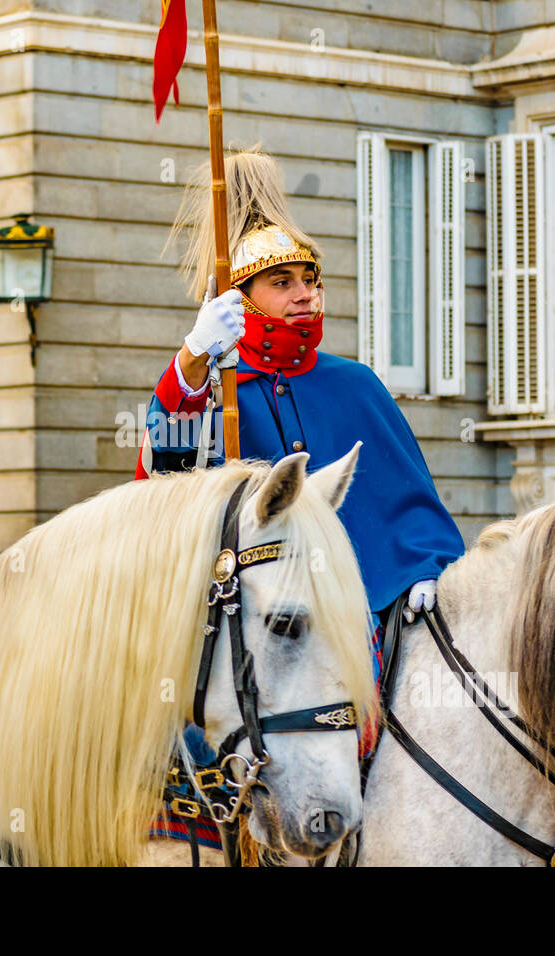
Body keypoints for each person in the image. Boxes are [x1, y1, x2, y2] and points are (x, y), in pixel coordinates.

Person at [137, 146, 465, 635]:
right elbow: (161, 477)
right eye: (282, 281)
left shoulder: (355, 384)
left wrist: (424, 565)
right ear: (241, 298)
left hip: (371, 619)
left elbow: (409, 504)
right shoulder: (213, 389)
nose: (305, 293)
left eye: (310, 280)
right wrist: (193, 355)